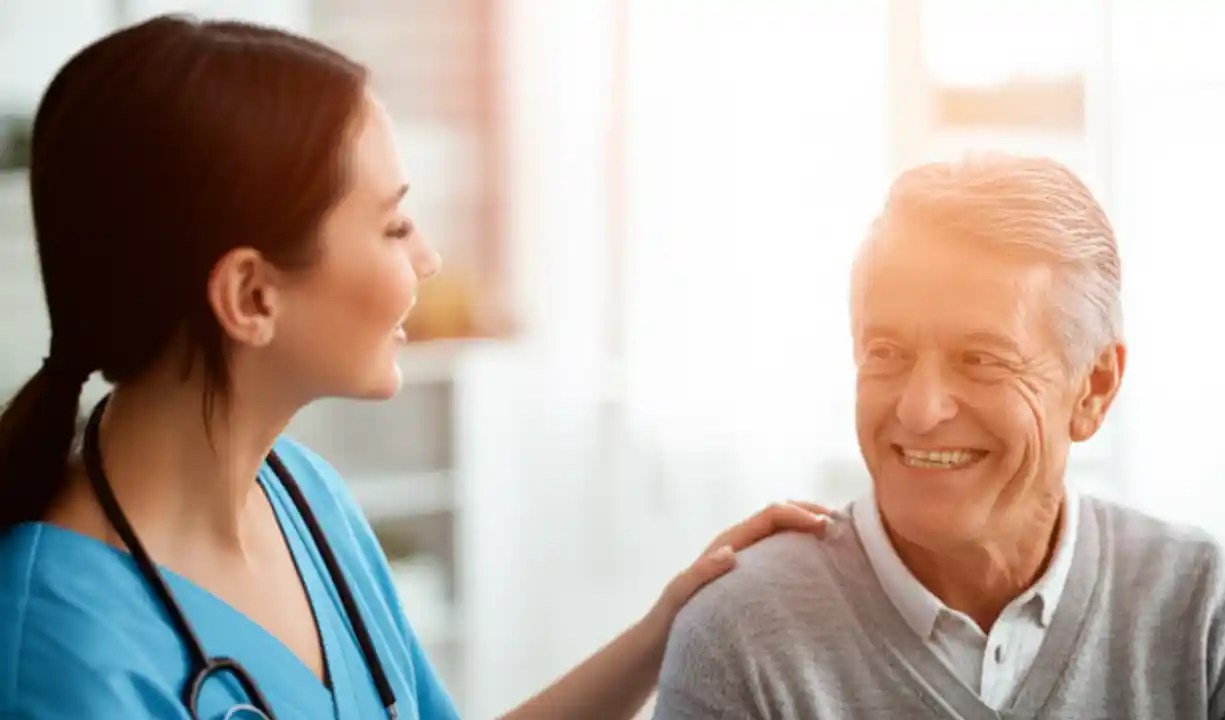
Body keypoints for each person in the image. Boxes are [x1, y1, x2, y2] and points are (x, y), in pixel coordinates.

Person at [0, 16, 835, 720]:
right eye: (395, 227)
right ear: (252, 296)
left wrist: (666, 628)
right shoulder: (55, 645)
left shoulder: (305, 500)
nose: (428, 259)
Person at [654, 154, 1225, 719]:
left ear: (1093, 388)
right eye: (887, 352)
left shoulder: (1199, 611)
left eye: (980, 359)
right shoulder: (739, 637)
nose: (919, 410)